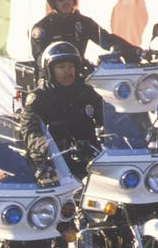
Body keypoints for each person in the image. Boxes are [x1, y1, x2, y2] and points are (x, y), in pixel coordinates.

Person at [19, 41, 104, 181]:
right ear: (50, 70)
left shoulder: (86, 92)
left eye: (71, 66)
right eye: (61, 67)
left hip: (88, 159)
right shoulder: (39, 98)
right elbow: (31, 132)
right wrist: (49, 146)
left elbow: (109, 117)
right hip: (53, 163)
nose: (67, 71)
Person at [30, 0, 142, 67]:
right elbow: (41, 59)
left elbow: (107, 40)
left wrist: (136, 51)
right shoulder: (42, 28)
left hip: (79, 75)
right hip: (53, 79)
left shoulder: (83, 23)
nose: (66, 1)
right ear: (52, 0)